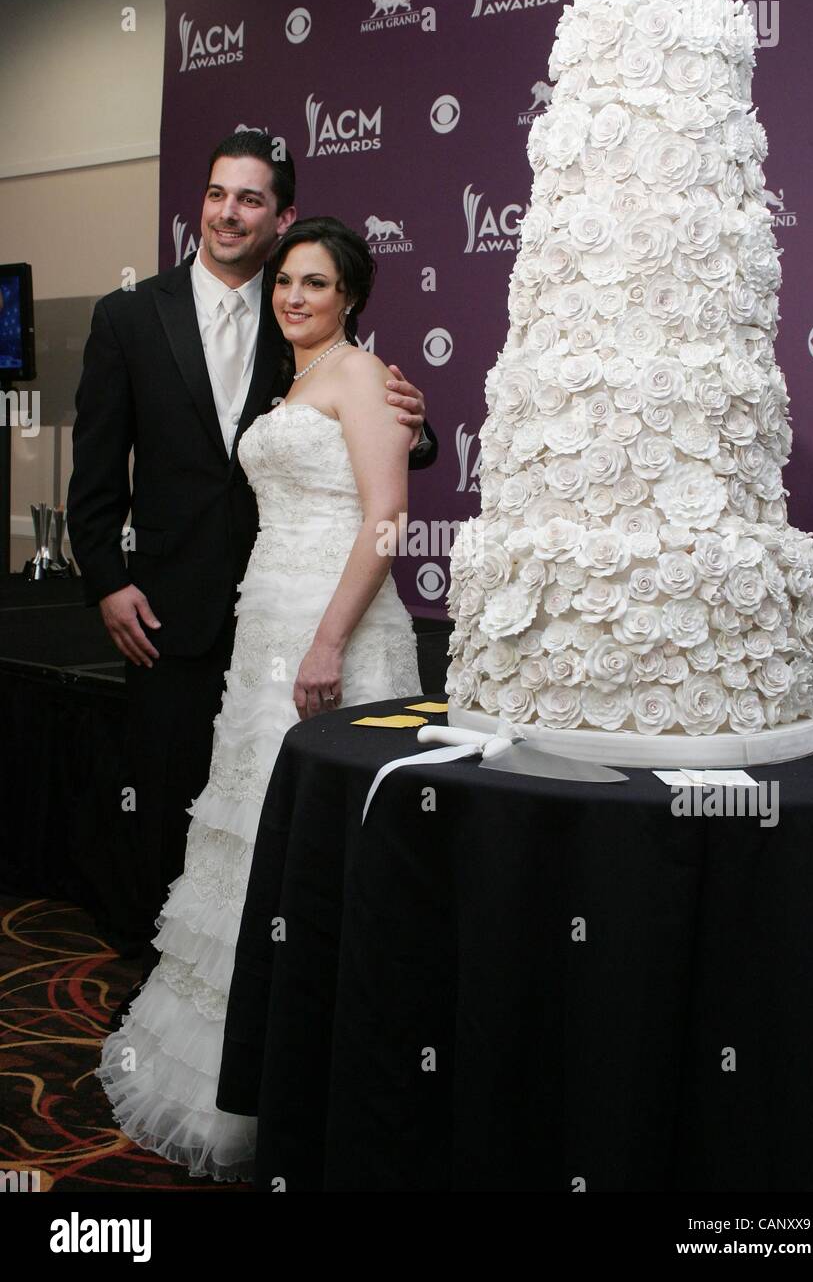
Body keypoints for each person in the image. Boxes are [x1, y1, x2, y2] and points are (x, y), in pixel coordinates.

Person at [96, 215, 424, 1180]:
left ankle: (316, 1073)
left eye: (315, 284)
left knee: (323, 847)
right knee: (251, 829)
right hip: (262, 632)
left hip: (334, 637)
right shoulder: (293, 378)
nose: (293, 297)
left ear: (350, 296)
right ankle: (243, 1063)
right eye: (285, 282)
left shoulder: (362, 375)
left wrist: (328, 641)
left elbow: (389, 520)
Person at [67, 132, 435, 970]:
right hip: (168, 603)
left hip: (295, 603)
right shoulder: (130, 315)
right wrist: (106, 580)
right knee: (173, 802)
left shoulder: (300, 299)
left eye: (250, 199)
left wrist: (419, 420)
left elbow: (377, 426)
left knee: (279, 801)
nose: (228, 213)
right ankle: (159, 972)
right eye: (216, 194)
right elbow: (96, 467)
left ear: (282, 215)